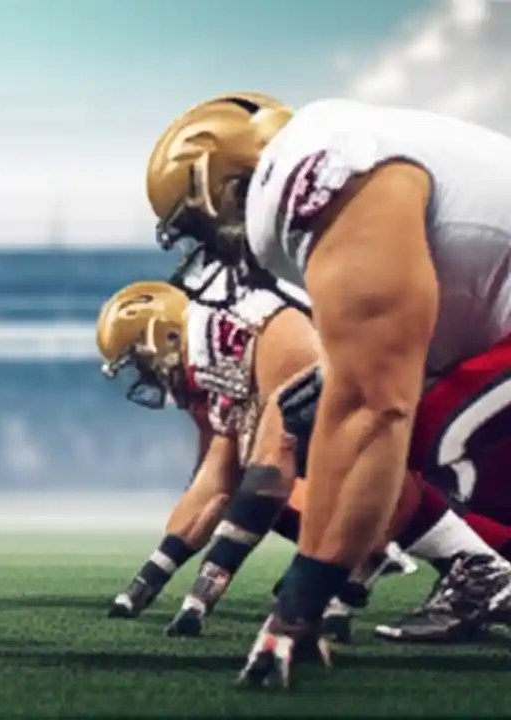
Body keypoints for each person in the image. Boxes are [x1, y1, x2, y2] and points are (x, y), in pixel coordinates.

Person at [145, 92, 511, 687]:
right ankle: (488, 572)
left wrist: (300, 606)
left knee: (431, 437)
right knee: (353, 421)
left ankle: (485, 572)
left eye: (198, 226)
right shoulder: (355, 153)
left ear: (226, 185)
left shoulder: (308, 168)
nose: (210, 248)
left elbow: (377, 406)